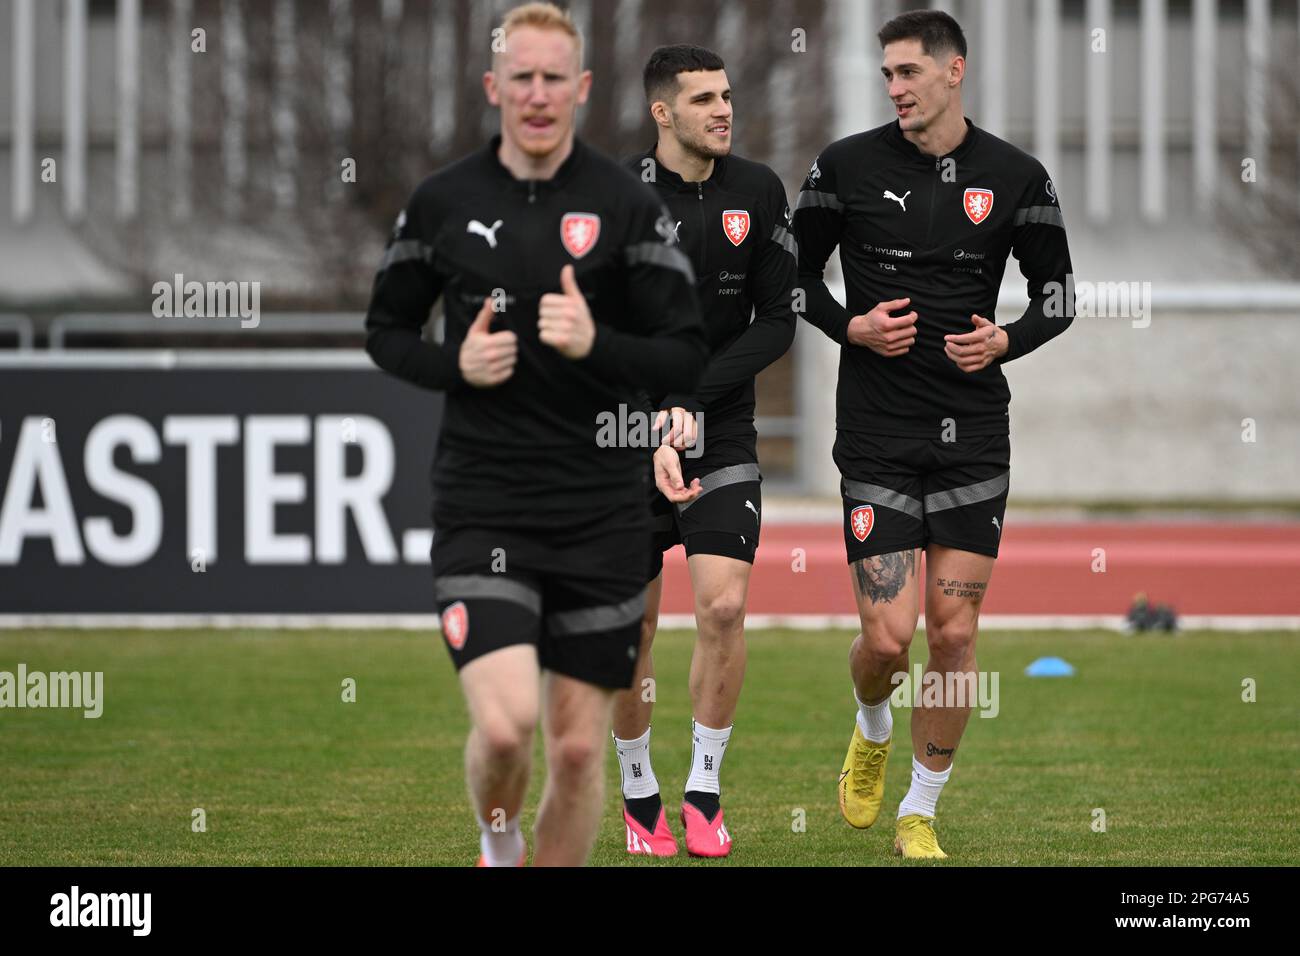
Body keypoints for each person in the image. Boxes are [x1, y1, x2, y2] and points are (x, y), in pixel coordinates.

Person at [363, 2, 705, 867]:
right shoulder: (443, 202)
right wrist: (454, 369)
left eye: (556, 77)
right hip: (487, 506)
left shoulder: (627, 206)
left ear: (583, 88)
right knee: (509, 727)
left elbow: (685, 348)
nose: (539, 93)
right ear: (494, 87)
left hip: (601, 515)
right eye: (523, 76)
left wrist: (601, 344)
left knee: (582, 749)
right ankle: (499, 843)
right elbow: (386, 330)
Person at [793, 9, 1074, 859]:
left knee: (953, 636)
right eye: (887, 75)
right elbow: (791, 278)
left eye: (909, 72)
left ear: (955, 71)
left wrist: (1006, 341)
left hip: (974, 441)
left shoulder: (1016, 175)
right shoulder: (844, 165)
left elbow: (1059, 296)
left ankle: (920, 810)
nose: (896, 88)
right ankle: (871, 725)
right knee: (887, 639)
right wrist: (851, 328)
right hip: (877, 436)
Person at [609, 45, 797, 859]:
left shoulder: (757, 191)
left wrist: (691, 399)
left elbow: (777, 319)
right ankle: (639, 788)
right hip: (625, 434)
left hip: (719, 427)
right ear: (662, 113)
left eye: (727, 95)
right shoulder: (616, 198)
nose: (724, 110)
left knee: (721, 606)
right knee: (632, 628)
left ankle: (705, 790)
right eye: (704, 100)